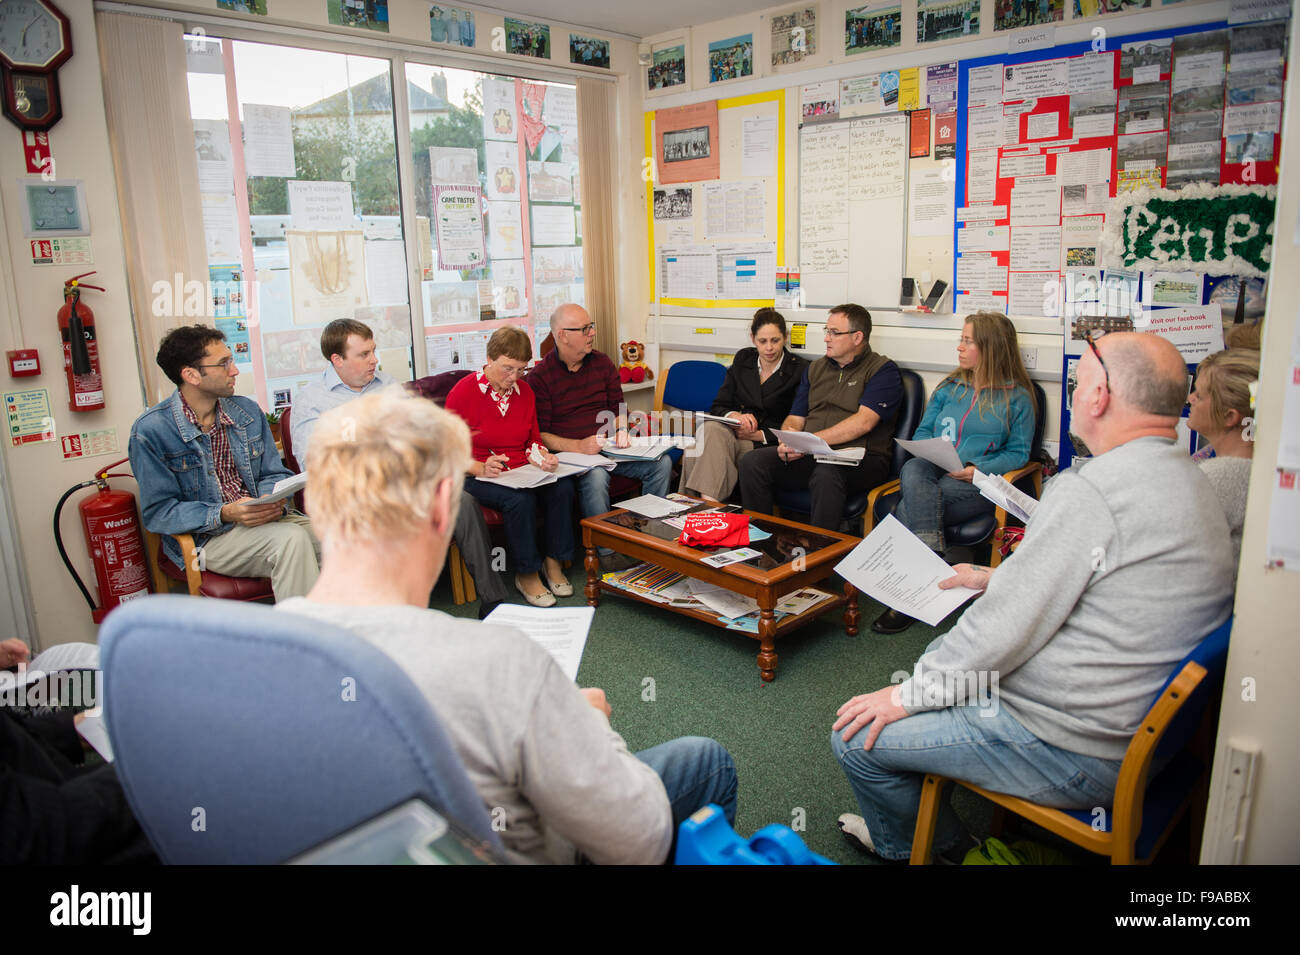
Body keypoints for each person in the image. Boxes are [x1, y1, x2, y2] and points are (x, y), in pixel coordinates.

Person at [277, 388, 737, 864]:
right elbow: (639, 836)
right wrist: (591, 730)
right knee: (706, 759)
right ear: (444, 506)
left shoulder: (254, 656)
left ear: (313, 504)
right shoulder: (502, 658)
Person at [831, 332, 1234, 863]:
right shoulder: (1188, 474)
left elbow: (999, 632)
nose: (1072, 392)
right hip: (1144, 733)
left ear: (1099, 397)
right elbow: (1109, 580)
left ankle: (936, 850)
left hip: (1074, 746)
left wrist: (908, 694)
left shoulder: (1093, 489)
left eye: (1078, 381)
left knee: (856, 737)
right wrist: (995, 578)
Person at [291, 319, 511, 618]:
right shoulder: (312, 400)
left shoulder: (387, 385)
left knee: (461, 500)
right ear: (337, 359)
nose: (374, 360)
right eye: (364, 354)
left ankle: (493, 600)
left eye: (374, 351)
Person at [872, 312, 1036, 634]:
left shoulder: (1017, 398)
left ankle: (911, 590)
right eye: (960, 338)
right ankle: (933, 562)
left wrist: (978, 469)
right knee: (914, 465)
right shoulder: (950, 387)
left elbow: (1019, 453)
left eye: (967, 340)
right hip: (934, 470)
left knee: (910, 506)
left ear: (990, 347)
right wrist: (935, 454)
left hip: (979, 484)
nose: (958, 346)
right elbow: (921, 435)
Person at [129, 325, 320, 601]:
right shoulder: (151, 431)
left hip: (266, 522)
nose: (234, 370)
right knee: (291, 541)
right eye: (224, 363)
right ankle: (301, 642)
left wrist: (269, 497)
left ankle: (352, 632)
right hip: (209, 539)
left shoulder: (246, 411)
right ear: (191, 375)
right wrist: (225, 512)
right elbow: (160, 512)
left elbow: (273, 472)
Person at [528, 304, 673, 571]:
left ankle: (646, 537)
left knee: (661, 464)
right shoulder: (541, 377)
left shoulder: (602, 362)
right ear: (562, 335)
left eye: (590, 326)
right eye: (584, 329)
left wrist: (620, 429)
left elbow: (619, 407)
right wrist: (579, 446)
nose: (591, 333)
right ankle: (605, 552)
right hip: (572, 457)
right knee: (596, 476)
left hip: (609, 447)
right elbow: (541, 435)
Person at [739, 304, 903, 531]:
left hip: (861, 458)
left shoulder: (883, 370)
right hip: (813, 453)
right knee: (753, 462)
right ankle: (762, 542)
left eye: (834, 333)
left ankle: (819, 554)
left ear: (857, 337)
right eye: (826, 330)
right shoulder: (816, 368)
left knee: (827, 473)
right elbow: (796, 417)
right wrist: (790, 440)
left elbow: (863, 422)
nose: (827, 338)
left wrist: (810, 441)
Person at [445, 326, 576, 608]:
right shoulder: (463, 392)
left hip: (520, 471)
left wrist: (544, 458)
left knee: (563, 486)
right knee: (519, 500)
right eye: (507, 368)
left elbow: (532, 441)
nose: (513, 377)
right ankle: (526, 573)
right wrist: (478, 467)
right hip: (476, 475)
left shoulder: (525, 392)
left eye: (521, 370)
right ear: (489, 359)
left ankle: (552, 563)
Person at [679, 308, 808, 505]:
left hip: (768, 444)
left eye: (776, 340)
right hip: (732, 434)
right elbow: (719, 406)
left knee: (699, 445)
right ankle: (708, 510)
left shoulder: (800, 369)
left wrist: (759, 434)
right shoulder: (744, 359)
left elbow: (799, 423)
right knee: (710, 430)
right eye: (762, 341)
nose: (769, 348)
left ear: (785, 337)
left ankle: (695, 509)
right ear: (753, 339)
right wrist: (735, 416)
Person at [1188, 346, 1260, 576]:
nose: (1190, 399)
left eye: (1199, 395)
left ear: (1229, 416)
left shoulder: (1221, 477)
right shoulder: (1252, 463)